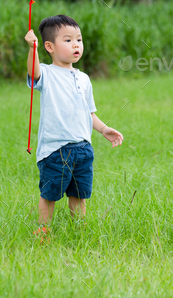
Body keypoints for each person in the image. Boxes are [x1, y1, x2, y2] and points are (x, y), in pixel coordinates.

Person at [25, 15, 124, 240]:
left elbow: (89, 112)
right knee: (50, 194)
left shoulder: (84, 79)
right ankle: (43, 231)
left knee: (79, 194)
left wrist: (103, 128)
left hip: (83, 148)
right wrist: (33, 48)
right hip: (56, 150)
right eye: (68, 40)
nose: (76, 45)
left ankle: (78, 231)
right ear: (49, 46)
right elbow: (33, 72)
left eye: (78, 40)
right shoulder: (47, 73)